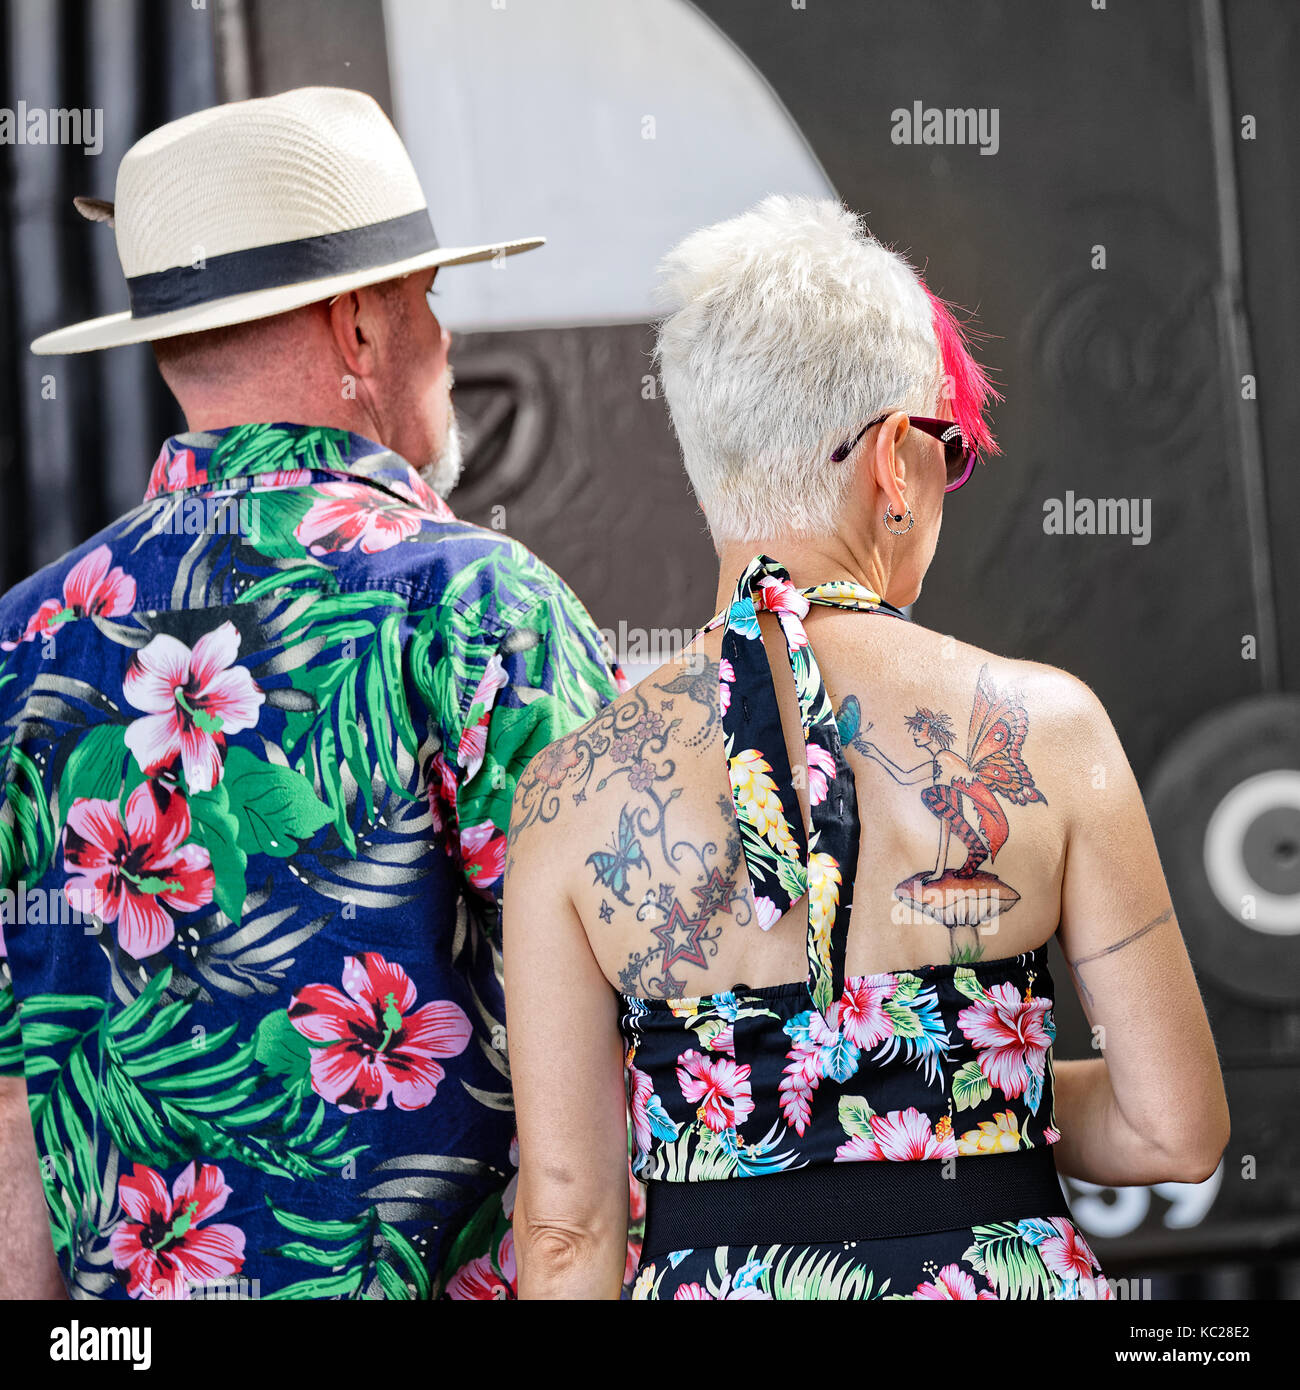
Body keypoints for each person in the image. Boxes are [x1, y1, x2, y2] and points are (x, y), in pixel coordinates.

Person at [503, 196, 1230, 1300]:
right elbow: (1173, 1132)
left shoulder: (567, 795)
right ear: (894, 456)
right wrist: (981, 1096)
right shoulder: (1051, 728)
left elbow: (565, 1223)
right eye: (949, 450)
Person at [0, 86, 624, 1301]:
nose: (446, 343)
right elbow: (617, 1030)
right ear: (357, 328)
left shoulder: (23, 640)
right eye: (427, 299)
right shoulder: (476, 607)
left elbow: (10, 1106)